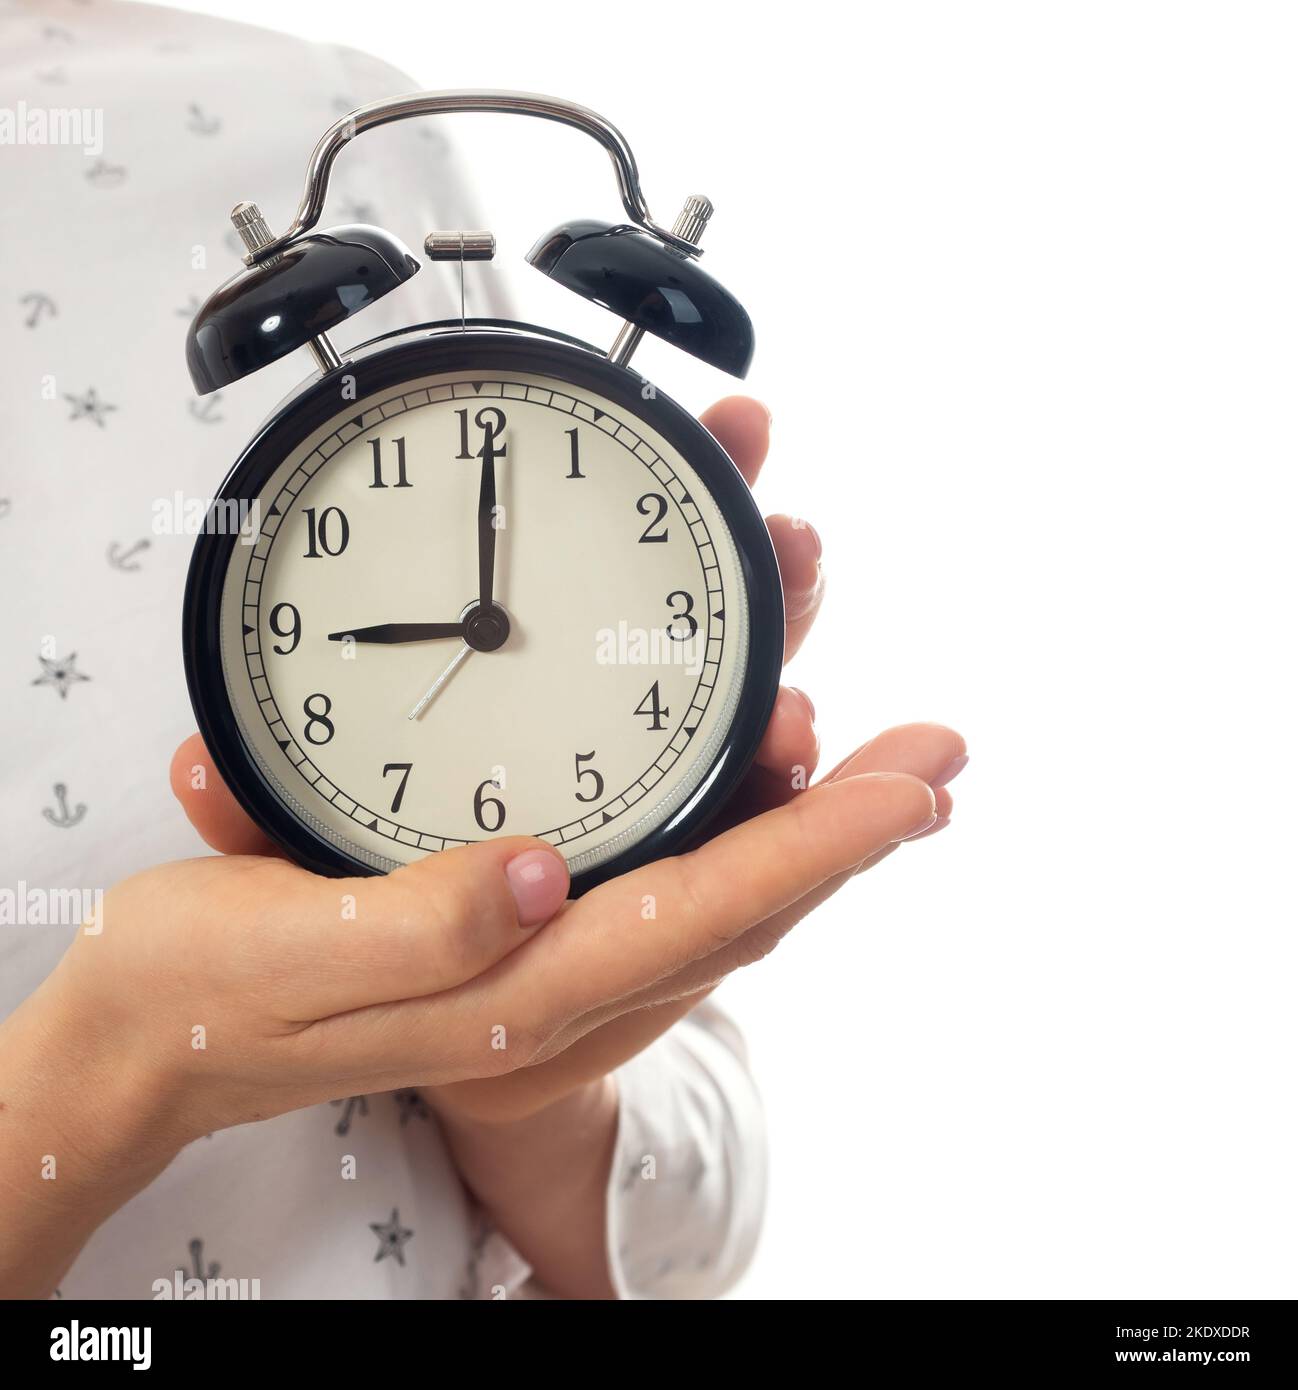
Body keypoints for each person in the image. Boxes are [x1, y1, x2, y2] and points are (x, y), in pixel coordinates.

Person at [0, 0, 966, 1299]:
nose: (484, 635)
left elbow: (691, 1234)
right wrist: (105, 1078)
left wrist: (522, 1076)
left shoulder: (317, 111)